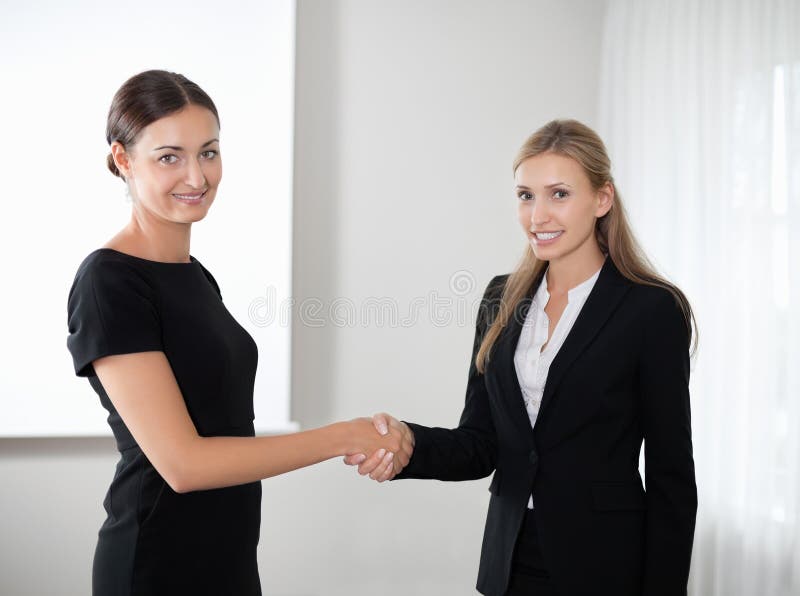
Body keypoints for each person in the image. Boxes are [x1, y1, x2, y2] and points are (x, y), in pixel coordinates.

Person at [65, 69, 409, 596]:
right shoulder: (108, 281)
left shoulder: (196, 277)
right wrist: (343, 436)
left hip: (227, 558)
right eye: (169, 157)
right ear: (122, 159)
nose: (197, 177)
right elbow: (183, 464)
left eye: (208, 152)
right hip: (156, 566)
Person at [346, 119, 698, 596]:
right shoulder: (500, 298)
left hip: (607, 565)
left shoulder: (652, 310)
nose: (538, 216)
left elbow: (671, 475)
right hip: (509, 560)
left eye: (558, 194)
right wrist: (409, 442)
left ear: (602, 199)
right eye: (525, 195)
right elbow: (480, 443)